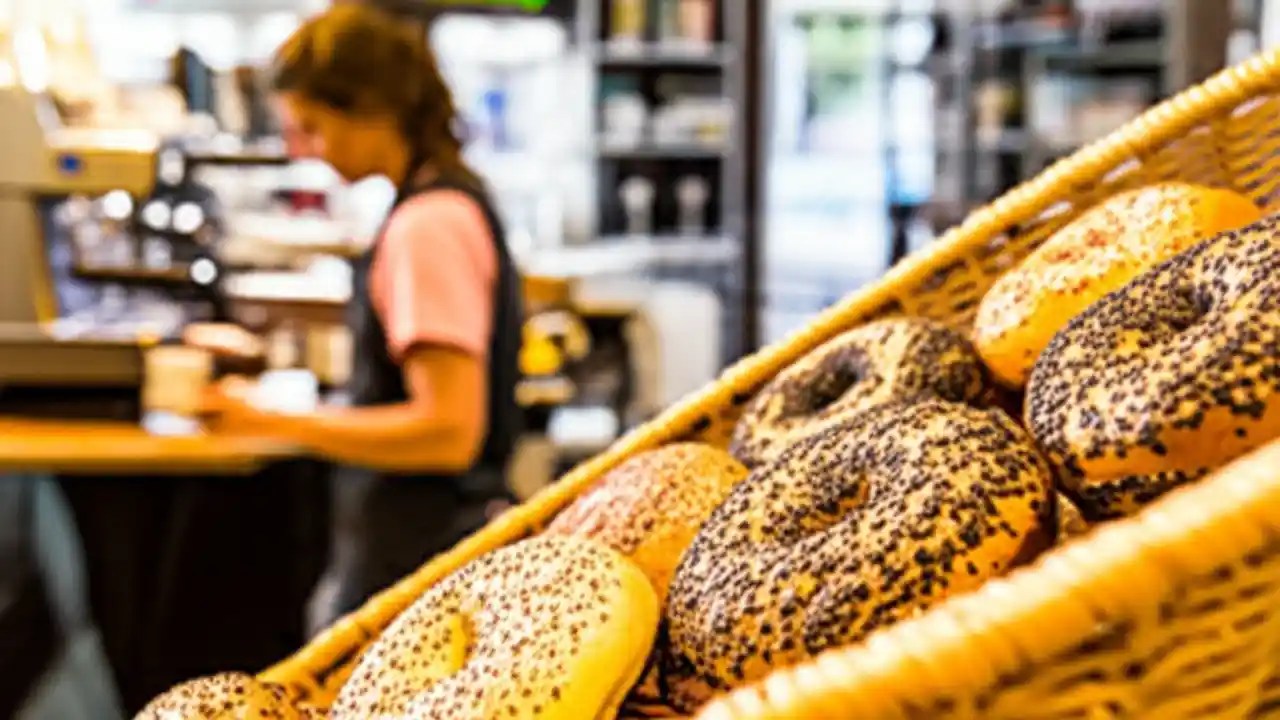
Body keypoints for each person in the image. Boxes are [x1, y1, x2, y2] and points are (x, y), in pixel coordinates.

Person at [205, 4, 522, 631]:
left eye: (313, 128)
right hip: (415, 555)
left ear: (372, 108)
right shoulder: (439, 200)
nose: (305, 150)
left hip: (416, 563)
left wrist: (274, 419)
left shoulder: (428, 225)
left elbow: (447, 430)